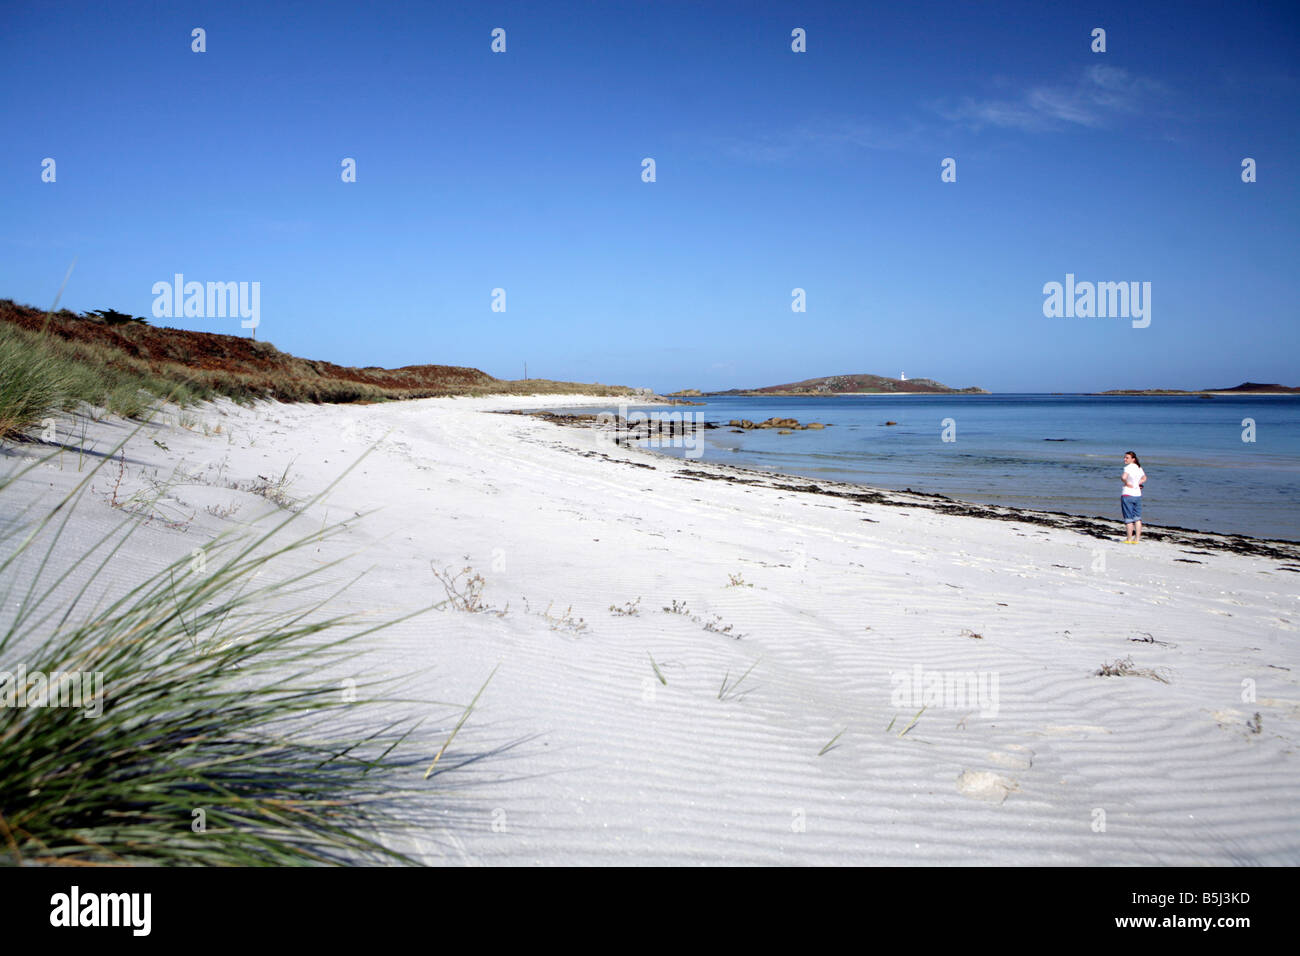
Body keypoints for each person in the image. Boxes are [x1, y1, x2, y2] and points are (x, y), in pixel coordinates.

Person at [1120, 450, 1147, 542]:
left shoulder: (1128, 468)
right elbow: (1144, 478)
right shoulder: (1139, 468)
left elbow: (1123, 477)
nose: (1125, 459)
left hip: (1128, 494)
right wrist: (1138, 483)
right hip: (1137, 495)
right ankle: (1137, 539)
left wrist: (1127, 483)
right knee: (1137, 518)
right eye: (1125, 457)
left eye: (1127, 458)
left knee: (1128, 518)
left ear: (1133, 459)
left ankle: (1129, 538)